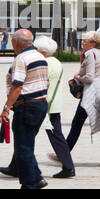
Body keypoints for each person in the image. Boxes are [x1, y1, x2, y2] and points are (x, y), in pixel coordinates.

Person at [0, 28, 50, 188]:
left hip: (26, 106)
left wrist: (6, 108)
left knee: (23, 149)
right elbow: (46, 83)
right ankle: (38, 177)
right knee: (26, 144)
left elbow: (17, 86)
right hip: (40, 104)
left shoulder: (22, 58)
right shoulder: (40, 57)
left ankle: (29, 185)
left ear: (16, 42)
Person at [65, 32, 100, 166]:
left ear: (93, 43)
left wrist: (77, 77)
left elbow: (88, 77)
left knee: (77, 123)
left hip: (91, 93)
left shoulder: (90, 54)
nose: (82, 42)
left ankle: (63, 153)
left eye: (85, 41)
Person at [35, 36, 76, 179]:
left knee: (26, 134)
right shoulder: (57, 62)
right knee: (56, 136)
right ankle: (68, 166)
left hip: (44, 104)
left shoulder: (44, 63)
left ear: (43, 51)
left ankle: (69, 167)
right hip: (54, 104)